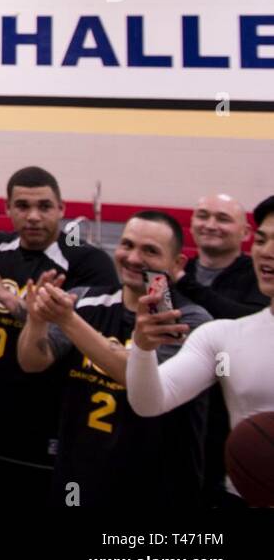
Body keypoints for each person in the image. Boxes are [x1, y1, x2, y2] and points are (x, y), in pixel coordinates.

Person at [0, 166, 117, 507]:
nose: (33, 216)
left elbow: (68, 329)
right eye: (22, 206)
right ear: (7, 208)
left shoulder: (88, 262)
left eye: (44, 206)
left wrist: (3, 295)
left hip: (51, 416)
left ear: (62, 209)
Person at [17, 211, 212, 508]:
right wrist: (37, 319)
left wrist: (68, 320)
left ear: (177, 264)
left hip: (156, 488)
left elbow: (142, 381)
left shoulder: (187, 321)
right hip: (79, 481)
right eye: (127, 245)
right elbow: (32, 362)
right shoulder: (84, 300)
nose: (133, 258)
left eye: (150, 251)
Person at [126, 194, 274, 508]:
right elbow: (149, 403)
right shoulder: (222, 334)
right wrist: (142, 348)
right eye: (262, 240)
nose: (268, 252)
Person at [179, 193, 264, 319]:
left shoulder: (261, 273)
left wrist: (184, 282)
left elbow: (256, 320)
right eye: (202, 217)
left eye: (223, 219)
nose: (210, 226)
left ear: (245, 233)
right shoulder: (180, 268)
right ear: (191, 226)